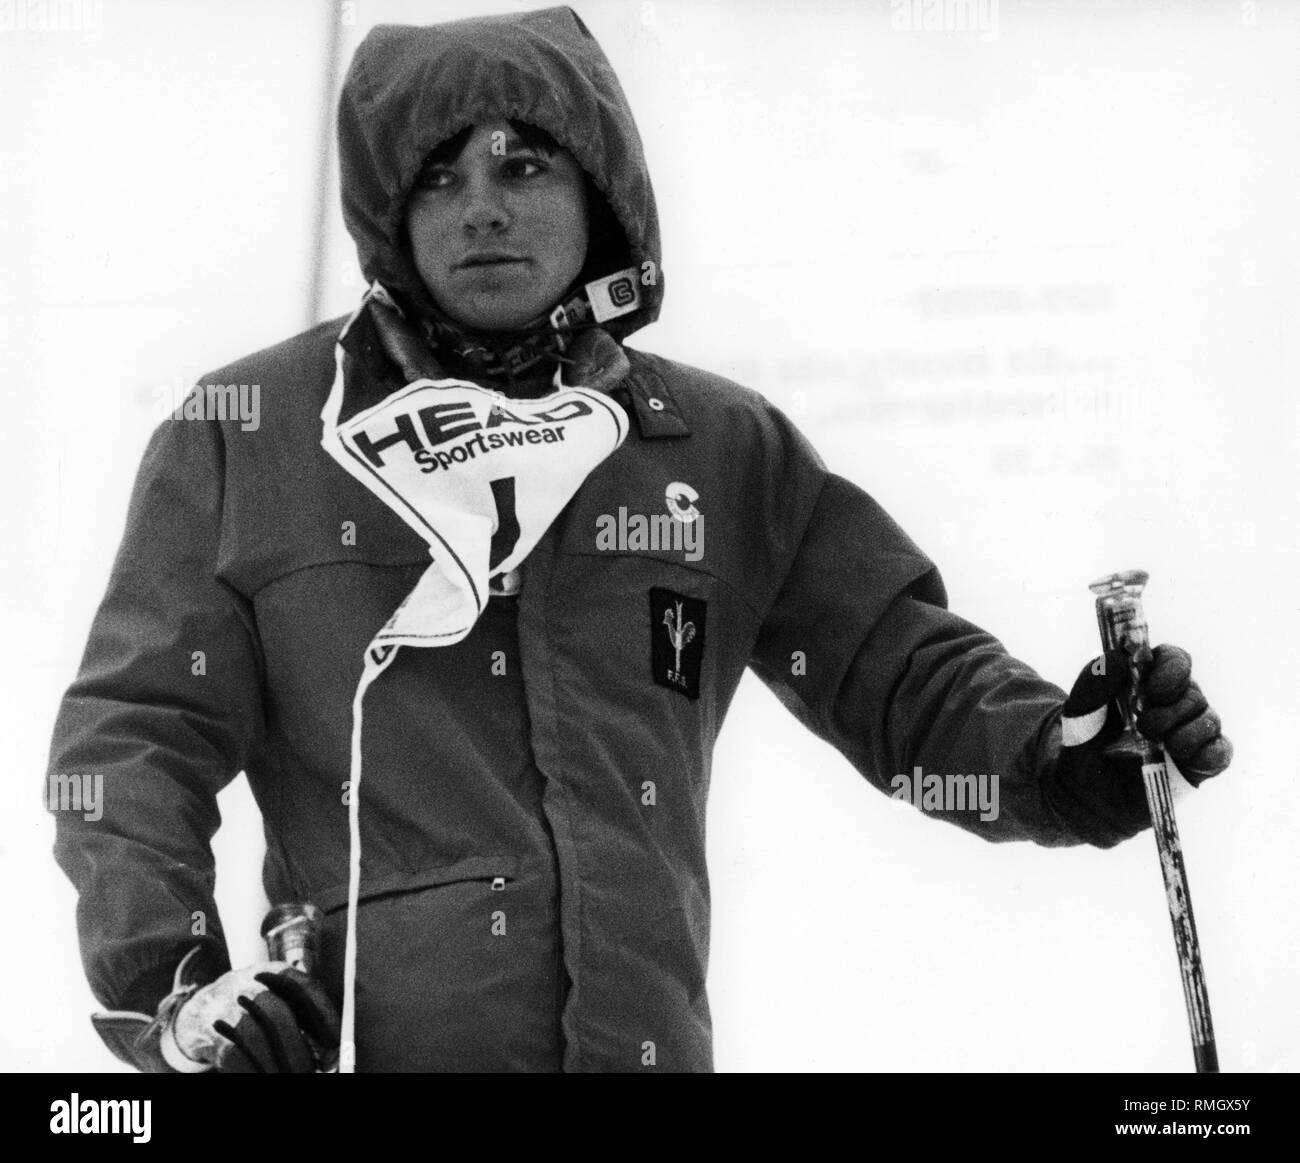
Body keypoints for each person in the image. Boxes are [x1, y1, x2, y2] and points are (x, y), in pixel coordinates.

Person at [48, 6, 1231, 1074]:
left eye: (525, 163)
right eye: (437, 177)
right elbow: (135, 738)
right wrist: (181, 990)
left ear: (601, 192)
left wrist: (1061, 750)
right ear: (389, 215)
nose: (484, 207)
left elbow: (898, 670)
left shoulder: (714, 448)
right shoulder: (254, 435)